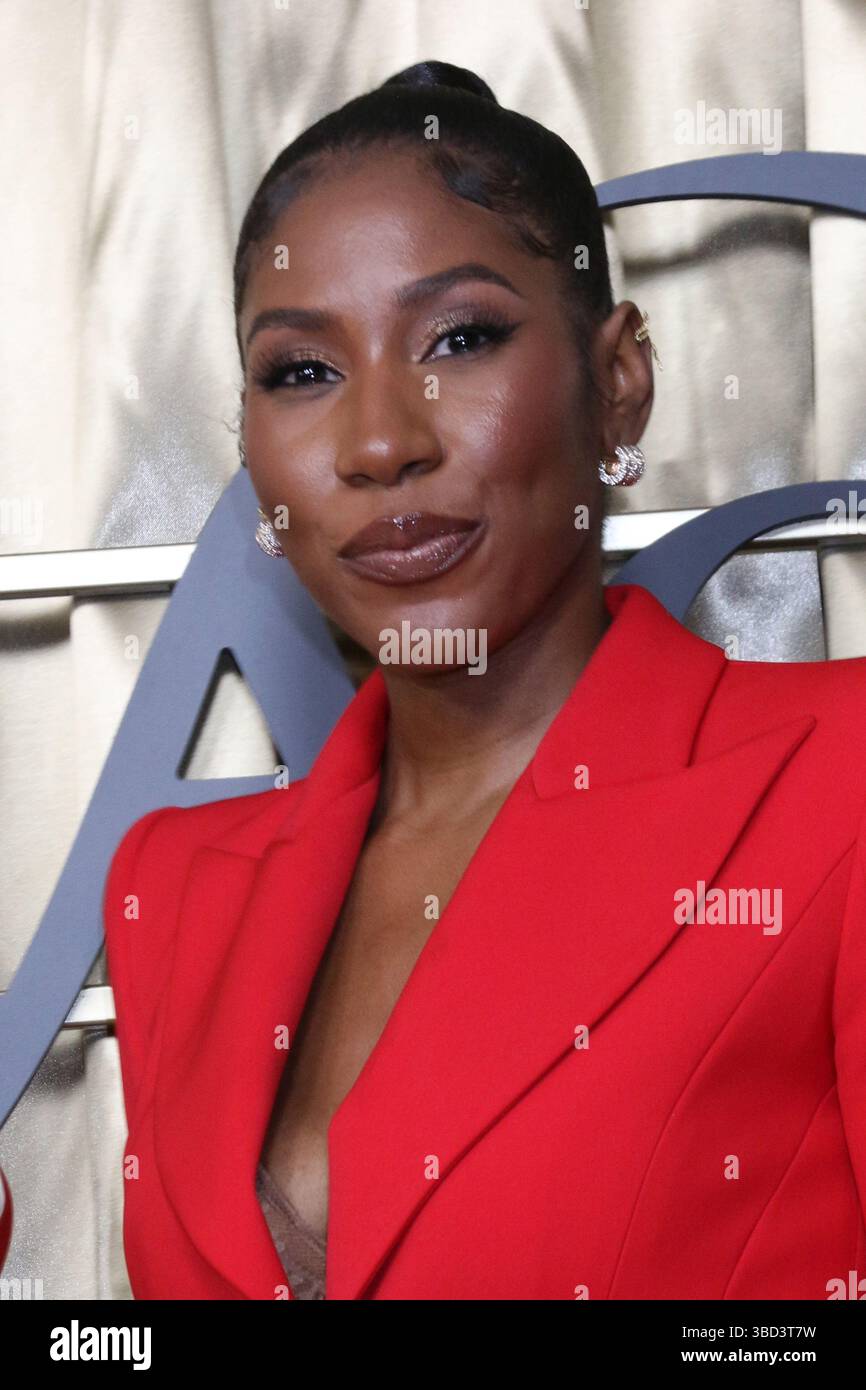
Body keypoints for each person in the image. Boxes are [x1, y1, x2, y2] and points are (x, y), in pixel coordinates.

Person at [104, 60, 866, 1301]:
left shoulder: (841, 783)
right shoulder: (175, 891)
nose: (381, 441)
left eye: (459, 339)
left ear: (618, 382)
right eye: (302, 370)